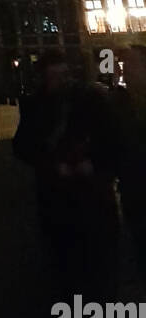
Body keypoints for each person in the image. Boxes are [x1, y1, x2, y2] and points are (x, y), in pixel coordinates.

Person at [12, 48, 120, 303]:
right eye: (54, 77)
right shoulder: (36, 105)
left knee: (98, 264)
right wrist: (52, 166)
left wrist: (92, 164)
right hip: (57, 198)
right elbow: (23, 146)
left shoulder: (89, 101)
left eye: (63, 75)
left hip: (90, 194)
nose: (61, 81)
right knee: (65, 263)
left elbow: (111, 138)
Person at [113, 44, 146, 277]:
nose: (127, 71)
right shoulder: (119, 103)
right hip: (134, 187)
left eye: (133, 64)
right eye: (126, 66)